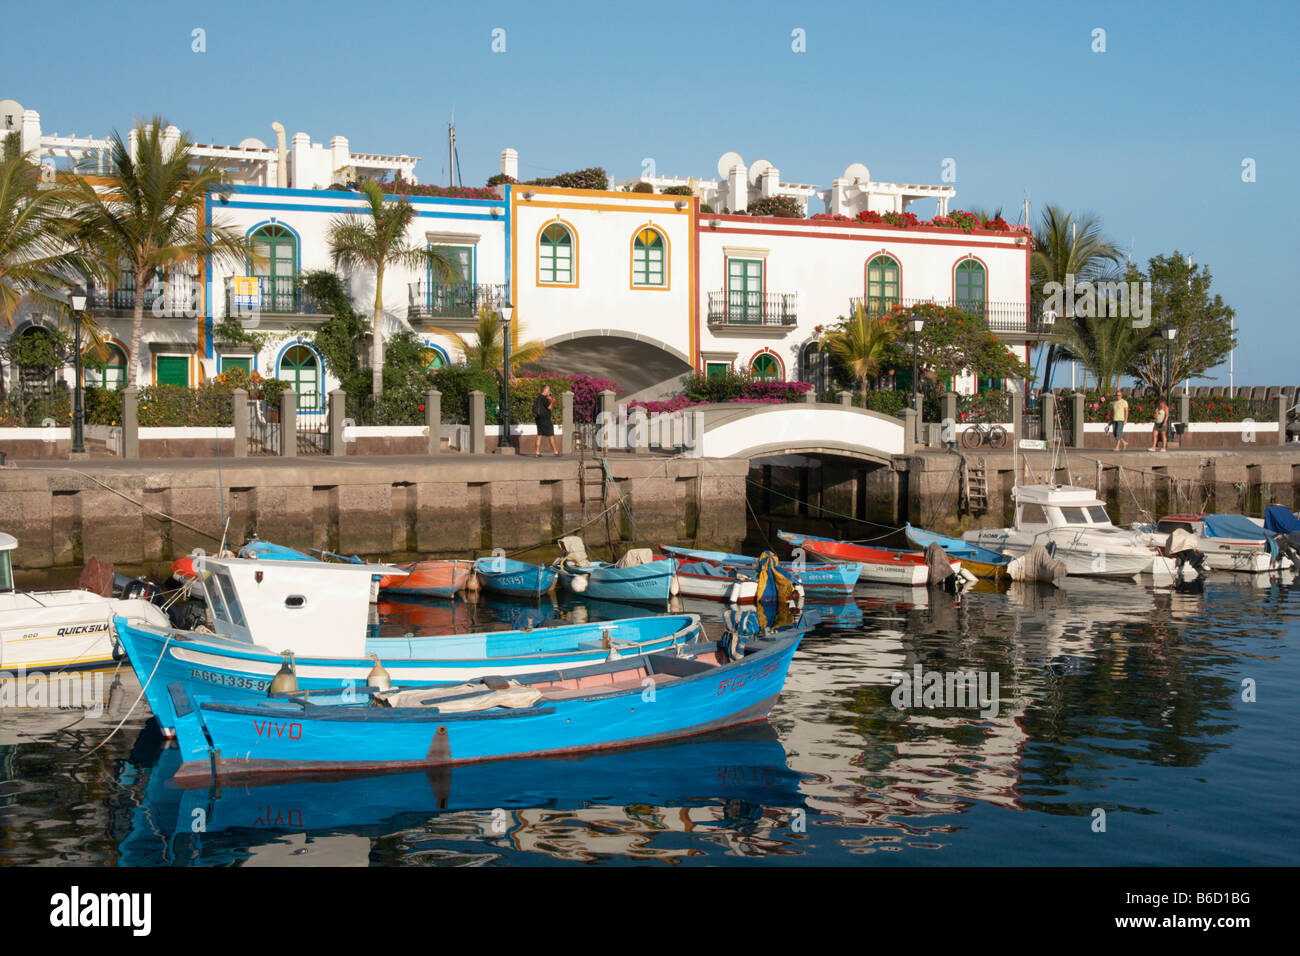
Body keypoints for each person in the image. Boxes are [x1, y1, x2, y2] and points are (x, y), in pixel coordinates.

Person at [533, 384, 559, 456]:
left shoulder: (538, 398)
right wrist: (551, 401)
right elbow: (549, 407)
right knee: (551, 435)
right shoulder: (544, 398)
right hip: (545, 419)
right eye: (549, 390)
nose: (549, 392)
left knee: (539, 435)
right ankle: (555, 452)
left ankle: (537, 452)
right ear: (545, 390)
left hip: (538, 419)